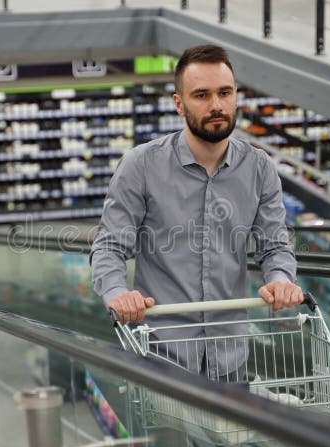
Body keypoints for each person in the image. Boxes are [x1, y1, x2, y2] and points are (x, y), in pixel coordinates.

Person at [90, 44, 302, 380]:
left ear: (236, 97)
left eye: (225, 93)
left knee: (233, 434)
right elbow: (109, 246)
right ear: (179, 103)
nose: (216, 105)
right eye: (201, 95)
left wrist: (280, 281)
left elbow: (275, 246)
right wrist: (117, 293)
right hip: (160, 358)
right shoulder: (141, 166)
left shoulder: (259, 168)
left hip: (230, 359)